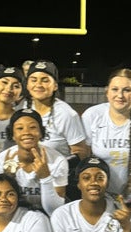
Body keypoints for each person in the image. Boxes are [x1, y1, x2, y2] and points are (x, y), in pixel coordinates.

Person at [82, 68, 131, 218]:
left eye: (127, 90)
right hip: (100, 199)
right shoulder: (92, 115)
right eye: (115, 89)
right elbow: (84, 160)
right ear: (107, 92)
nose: (120, 95)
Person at [24, 60, 89, 201]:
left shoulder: (66, 114)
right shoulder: (21, 109)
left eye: (45, 80)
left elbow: (81, 153)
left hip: (56, 184)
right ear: (27, 85)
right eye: (33, 80)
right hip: (25, 184)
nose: (39, 85)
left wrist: (56, 166)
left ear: (55, 86)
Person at [0, 109, 67, 215]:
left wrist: (45, 177)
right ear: (12, 135)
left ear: (41, 133)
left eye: (33, 127)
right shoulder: (0, 161)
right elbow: (1, 208)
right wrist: (8, 179)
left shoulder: (57, 161)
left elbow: (54, 210)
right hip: (15, 214)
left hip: (47, 215)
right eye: (20, 128)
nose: (27, 132)